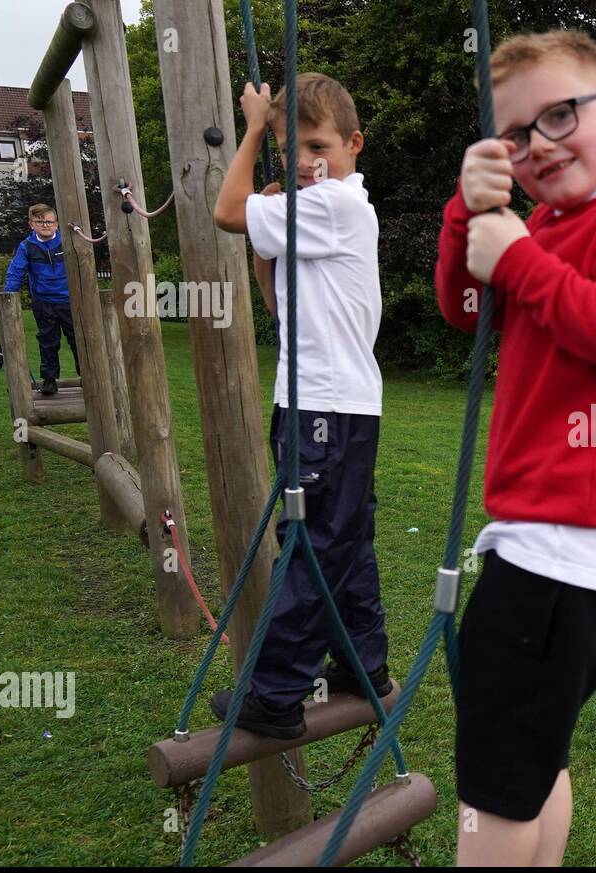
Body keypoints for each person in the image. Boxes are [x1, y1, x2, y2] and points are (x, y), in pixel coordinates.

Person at [435, 30, 596, 866]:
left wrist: (519, 260)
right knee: (537, 753)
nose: (537, 145)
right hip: (565, 554)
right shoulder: (543, 224)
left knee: (496, 780)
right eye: (514, 134)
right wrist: (466, 214)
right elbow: (468, 313)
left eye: (562, 114)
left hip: (561, 550)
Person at [209, 73, 391, 737]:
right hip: (326, 405)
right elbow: (279, 308)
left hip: (324, 410)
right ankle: (362, 663)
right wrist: (267, 243)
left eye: (320, 146)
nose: (307, 163)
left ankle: (276, 694)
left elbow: (225, 213)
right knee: (345, 542)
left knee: (311, 545)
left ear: (354, 144)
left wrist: (256, 126)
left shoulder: (336, 206)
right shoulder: (321, 212)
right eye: (294, 151)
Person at [3, 204, 79, 394]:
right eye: (40, 221)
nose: (45, 225)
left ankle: (87, 376)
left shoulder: (67, 242)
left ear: (57, 224)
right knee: (48, 340)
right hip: (43, 301)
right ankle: (49, 380)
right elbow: (16, 272)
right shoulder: (27, 246)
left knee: (78, 339)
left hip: (70, 300)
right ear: (31, 224)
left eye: (49, 221)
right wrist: (8, 296)